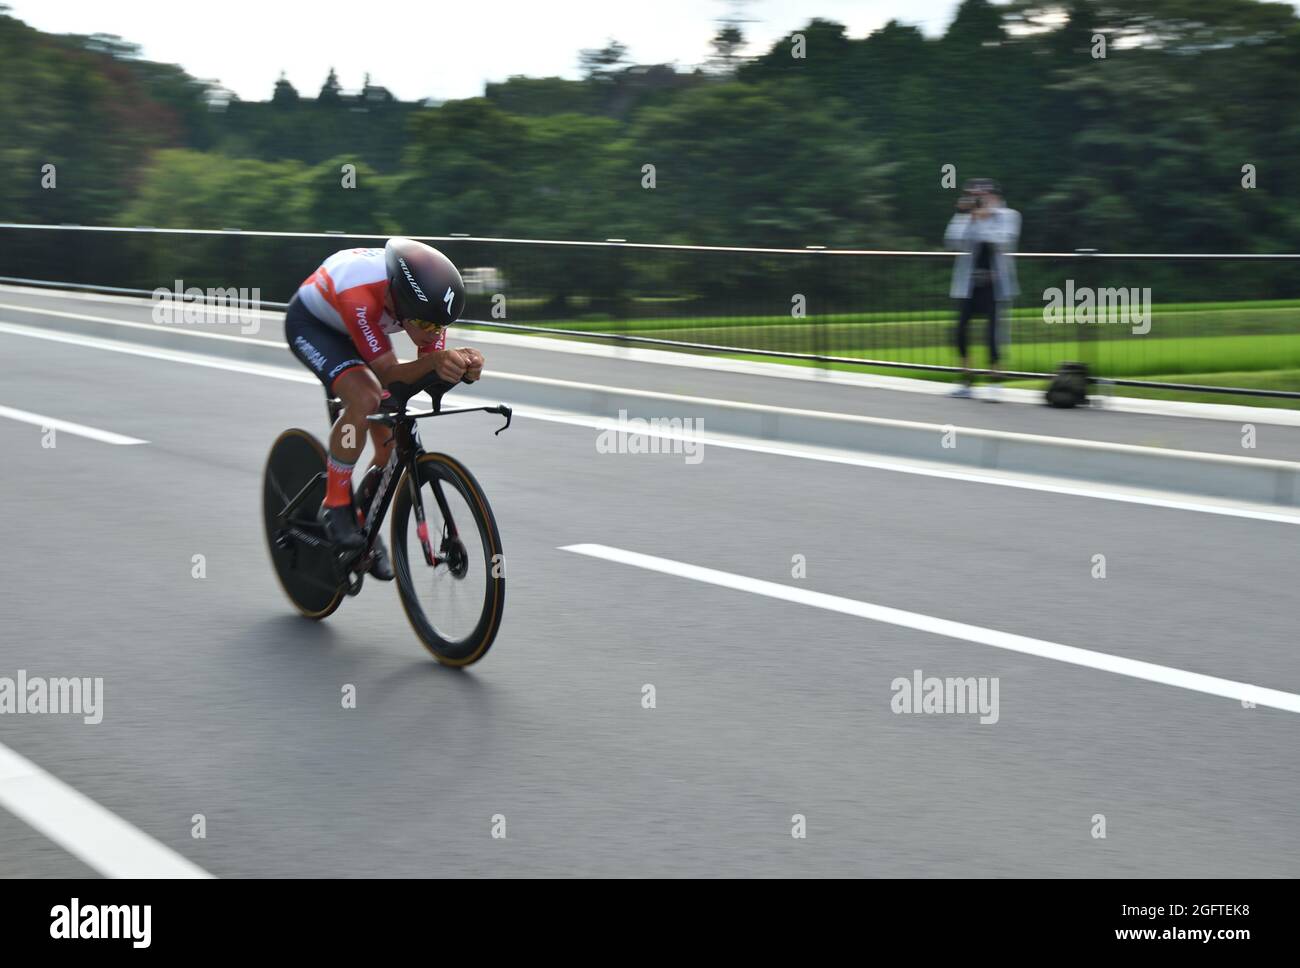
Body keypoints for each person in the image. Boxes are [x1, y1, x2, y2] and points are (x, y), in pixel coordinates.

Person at [285, 238, 485, 576]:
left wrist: (462, 368)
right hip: (315, 327)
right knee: (366, 398)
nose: (432, 333)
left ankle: (362, 523)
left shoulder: (426, 310)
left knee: (390, 440)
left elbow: (428, 369)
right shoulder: (360, 292)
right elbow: (392, 374)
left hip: (366, 326)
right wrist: (437, 361)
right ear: (402, 303)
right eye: (425, 325)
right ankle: (334, 504)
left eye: (440, 327)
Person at [944, 179, 1020, 399]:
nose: (978, 200)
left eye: (982, 195)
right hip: (969, 283)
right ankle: (966, 379)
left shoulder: (1009, 215)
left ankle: (995, 382)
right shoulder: (967, 216)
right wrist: (966, 216)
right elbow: (952, 240)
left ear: (993, 195)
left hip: (995, 285)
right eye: (973, 195)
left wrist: (983, 219)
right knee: (959, 330)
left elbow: (1004, 240)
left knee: (993, 334)